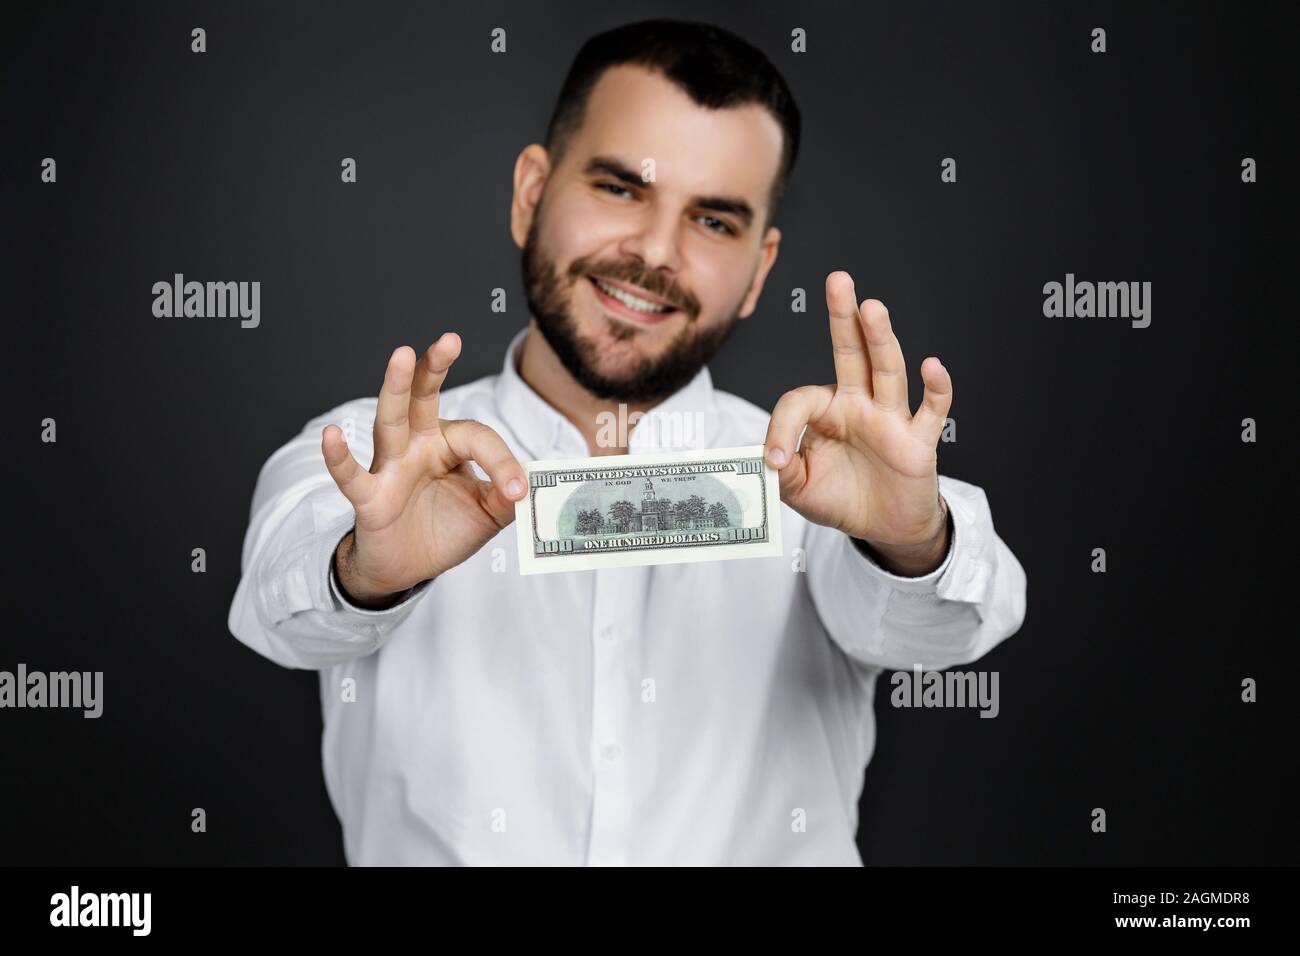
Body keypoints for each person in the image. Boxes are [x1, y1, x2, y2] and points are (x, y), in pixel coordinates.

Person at [228, 18, 1027, 865]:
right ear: (532, 193)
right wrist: (367, 573)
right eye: (620, 189)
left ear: (759, 271)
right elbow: (279, 616)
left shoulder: (825, 487)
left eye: (714, 222)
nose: (654, 252)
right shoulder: (364, 462)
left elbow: (940, 631)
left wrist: (906, 542)